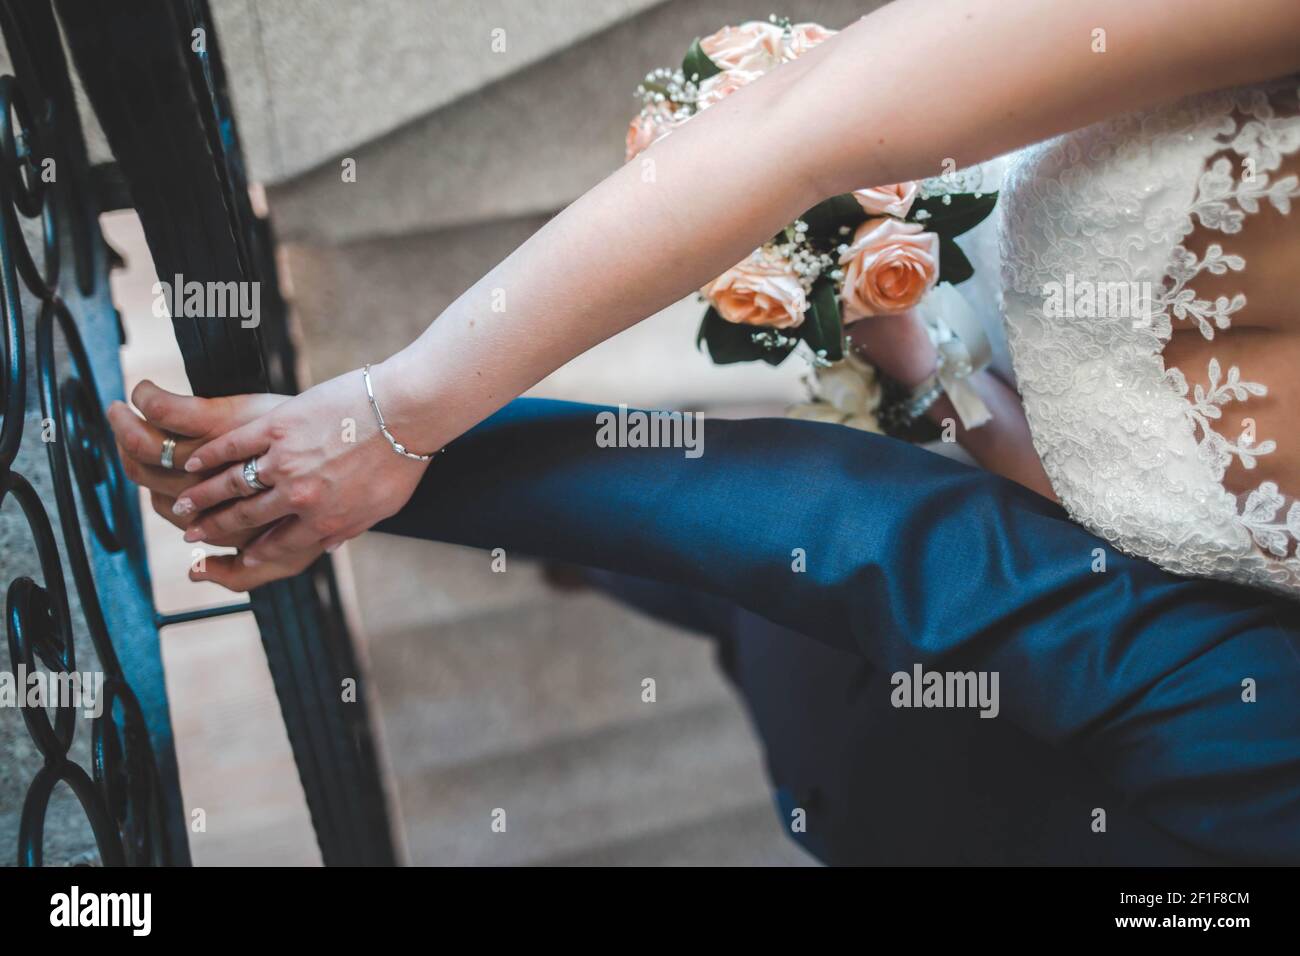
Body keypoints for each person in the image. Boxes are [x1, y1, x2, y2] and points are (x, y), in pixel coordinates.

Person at [107, 0, 1300, 861]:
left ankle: (602, 561)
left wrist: (399, 454)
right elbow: (800, 128)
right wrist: (396, 423)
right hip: (923, 538)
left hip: (924, 765)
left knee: (748, 601)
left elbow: (952, 545)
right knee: (719, 566)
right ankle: (597, 558)